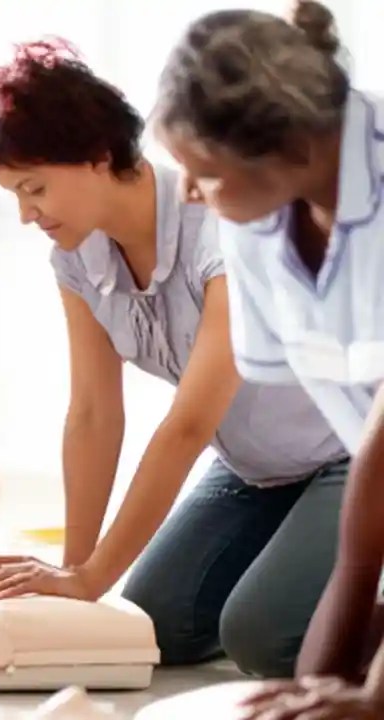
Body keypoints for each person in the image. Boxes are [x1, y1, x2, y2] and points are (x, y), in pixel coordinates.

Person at [0, 38, 351, 679]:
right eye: (14, 196)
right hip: (258, 471)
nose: (27, 215)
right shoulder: (77, 259)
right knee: (155, 622)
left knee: (261, 636)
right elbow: (92, 412)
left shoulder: (225, 231)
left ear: (97, 156)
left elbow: (188, 424)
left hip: (352, 454)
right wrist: (74, 568)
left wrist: (91, 579)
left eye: (34, 189)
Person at [152, 0, 384, 701]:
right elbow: (363, 428)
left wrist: (369, 689)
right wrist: (328, 676)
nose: (189, 194)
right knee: (311, 676)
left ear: (293, 146)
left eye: (208, 173)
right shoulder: (253, 220)